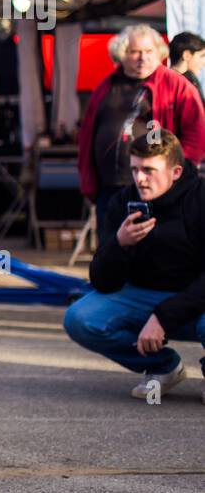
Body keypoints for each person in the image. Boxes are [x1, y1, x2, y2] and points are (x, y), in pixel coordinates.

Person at [64, 131, 205, 402]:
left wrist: (163, 317)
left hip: (195, 301)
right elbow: (102, 282)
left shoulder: (199, 198)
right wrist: (119, 244)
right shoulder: (122, 203)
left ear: (176, 172)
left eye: (149, 170)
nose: (140, 179)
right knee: (80, 318)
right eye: (135, 169)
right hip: (143, 296)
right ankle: (162, 367)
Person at [77, 24, 205, 244]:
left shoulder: (176, 85)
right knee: (110, 250)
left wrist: (180, 174)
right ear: (121, 54)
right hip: (110, 189)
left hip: (157, 191)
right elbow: (88, 133)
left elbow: (197, 131)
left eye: (149, 52)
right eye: (135, 52)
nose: (142, 58)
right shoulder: (106, 86)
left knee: (150, 252)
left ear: (159, 53)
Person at [169, 31, 205, 100]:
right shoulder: (187, 84)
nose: (204, 62)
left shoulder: (160, 80)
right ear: (187, 55)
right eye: (201, 56)